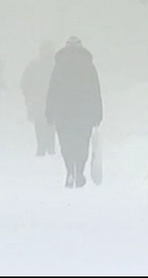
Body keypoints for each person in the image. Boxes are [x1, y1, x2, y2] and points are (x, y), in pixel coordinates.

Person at [45, 36, 103, 188]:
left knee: (67, 143)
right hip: (84, 112)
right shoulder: (88, 65)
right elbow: (95, 91)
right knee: (82, 142)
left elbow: (52, 90)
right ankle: (79, 171)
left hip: (63, 112)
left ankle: (70, 169)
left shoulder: (59, 66)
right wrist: (98, 114)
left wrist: (49, 113)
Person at [20, 41, 56, 156]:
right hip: (44, 99)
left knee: (43, 123)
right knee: (47, 123)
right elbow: (25, 82)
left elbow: (24, 82)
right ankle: (47, 147)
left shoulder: (35, 65)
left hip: (43, 99)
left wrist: (28, 94)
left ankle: (45, 147)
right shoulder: (56, 65)